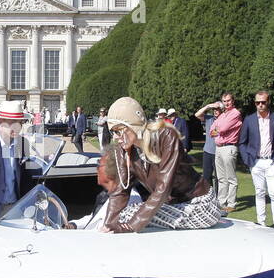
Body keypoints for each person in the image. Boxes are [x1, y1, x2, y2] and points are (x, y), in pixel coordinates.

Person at [103, 97, 218, 233]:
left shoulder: (166, 136)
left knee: (129, 216)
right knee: (123, 215)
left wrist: (130, 226)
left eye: (118, 131)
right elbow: (120, 192)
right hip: (172, 206)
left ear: (133, 125)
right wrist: (108, 225)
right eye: (113, 132)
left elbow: (163, 189)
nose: (115, 137)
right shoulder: (124, 151)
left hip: (201, 204)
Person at [238, 90, 274, 230]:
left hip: (272, 162)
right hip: (255, 162)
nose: (260, 105)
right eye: (257, 102)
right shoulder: (249, 120)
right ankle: (261, 223)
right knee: (259, 192)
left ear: (268, 102)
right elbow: (242, 142)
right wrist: (248, 160)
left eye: (263, 102)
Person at [67, 146, 143, 230]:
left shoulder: (130, 199)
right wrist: (74, 224)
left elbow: (110, 231)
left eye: (99, 164)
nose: (96, 168)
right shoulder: (106, 194)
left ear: (114, 170)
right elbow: (94, 218)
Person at [199, 93, 241, 212]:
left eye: (228, 101)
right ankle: (221, 203)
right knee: (221, 178)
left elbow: (222, 128)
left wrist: (218, 128)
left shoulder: (235, 113)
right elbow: (212, 131)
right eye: (224, 101)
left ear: (232, 101)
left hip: (229, 147)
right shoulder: (223, 115)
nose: (226, 103)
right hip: (219, 147)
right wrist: (218, 128)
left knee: (231, 178)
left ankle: (231, 204)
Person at [195, 103, 218, 195]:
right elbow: (197, 115)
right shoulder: (209, 118)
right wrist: (209, 106)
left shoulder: (225, 120)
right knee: (206, 176)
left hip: (219, 152)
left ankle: (218, 196)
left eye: (218, 109)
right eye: (214, 109)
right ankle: (209, 194)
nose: (216, 111)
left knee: (219, 177)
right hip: (208, 151)